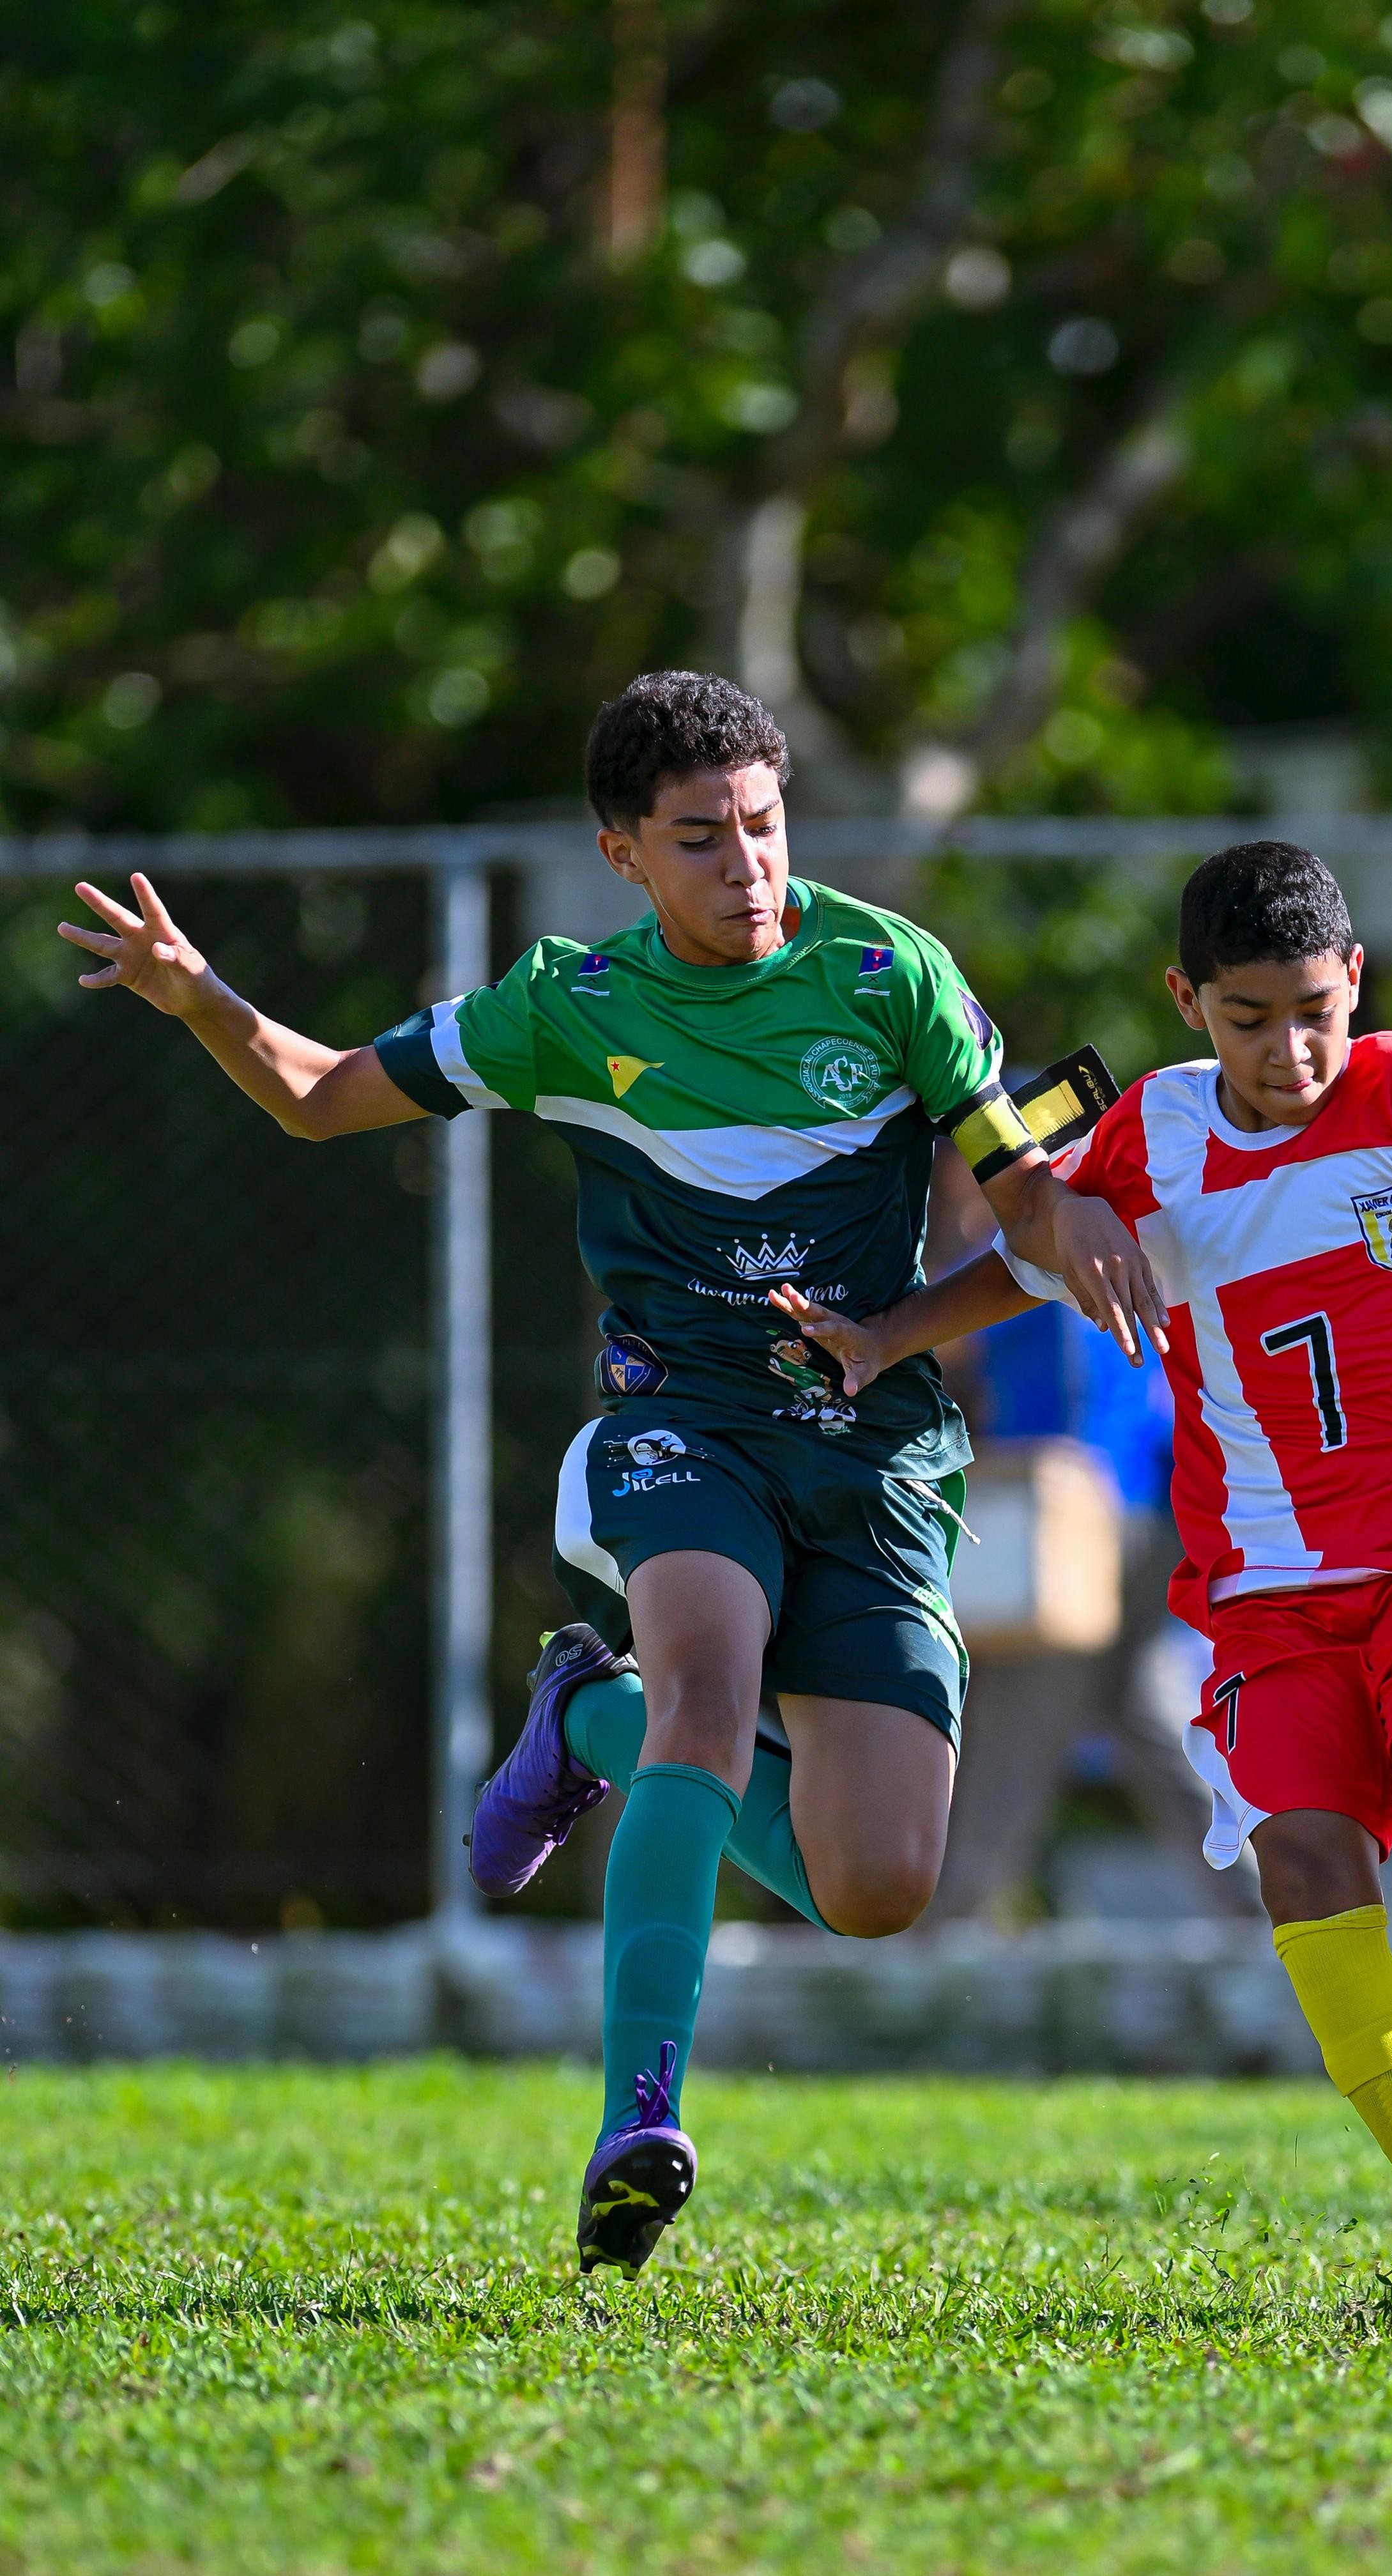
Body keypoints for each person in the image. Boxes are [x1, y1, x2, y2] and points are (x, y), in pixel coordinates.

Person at [57, 670, 1163, 2279]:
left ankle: (584, 1707)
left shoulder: (890, 972)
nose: (749, 867)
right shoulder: (564, 1006)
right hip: (681, 1419)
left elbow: (1021, 1197)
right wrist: (201, 993)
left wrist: (1070, 1227)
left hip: (872, 1441)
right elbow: (312, 1097)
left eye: (766, 827)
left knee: (878, 1887)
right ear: (621, 854)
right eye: (702, 839)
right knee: (707, 1694)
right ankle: (637, 2117)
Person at [769, 838, 1392, 2345]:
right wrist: (889, 1335)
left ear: (1355, 982)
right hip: (1258, 1589)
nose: (1289, 1048)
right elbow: (1029, 1255)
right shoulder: (1147, 1133)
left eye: (1315, 1008)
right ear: (1186, 1001)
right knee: (1306, 1871)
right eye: (1249, 1016)